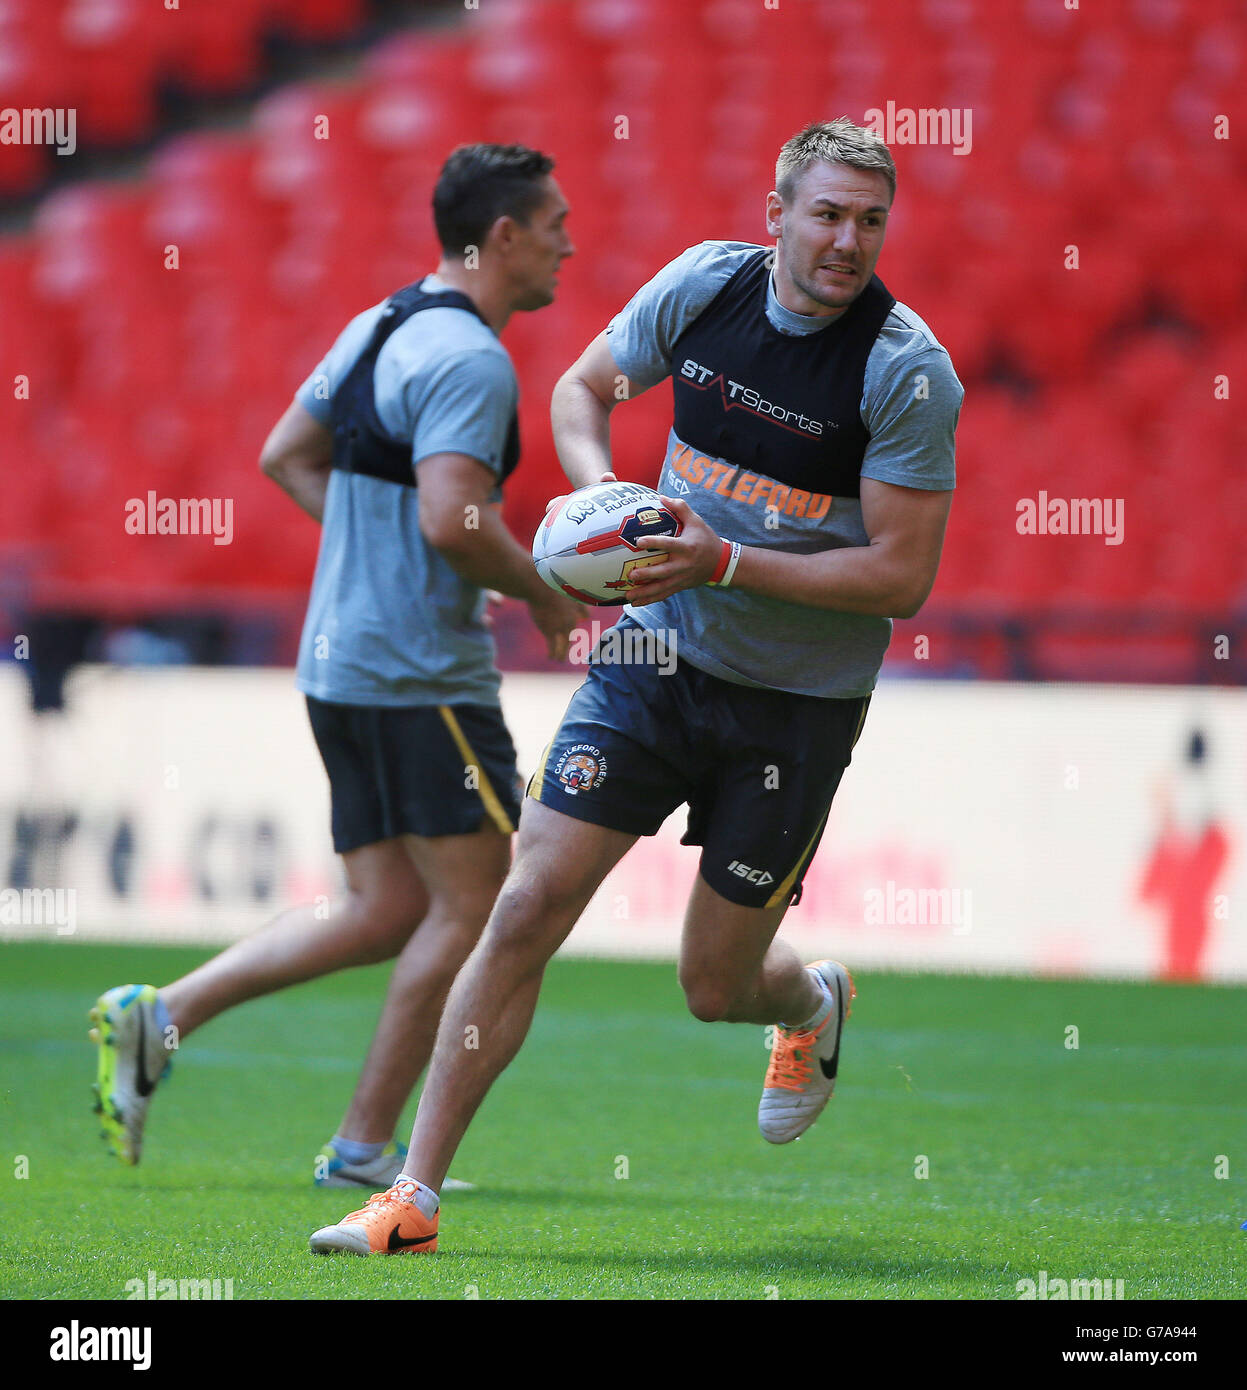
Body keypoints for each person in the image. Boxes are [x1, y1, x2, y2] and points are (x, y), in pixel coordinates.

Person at [309, 117, 962, 1254]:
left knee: (712, 984)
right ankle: (412, 1195)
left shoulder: (903, 370)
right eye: (824, 213)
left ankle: (809, 1002)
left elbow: (902, 577)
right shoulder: (705, 287)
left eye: (867, 220)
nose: (845, 240)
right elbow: (576, 391)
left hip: (793, 705)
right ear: (775, 215)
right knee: (521, 906)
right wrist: (604, 499)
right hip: (651, 659)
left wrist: (723, 558)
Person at [88, 143, 584, 1190]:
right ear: (501, 236)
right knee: (479, 909)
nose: (565, 246)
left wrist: (380, 555)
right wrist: (542, 592)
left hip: (337, 662)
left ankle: (161, 1016)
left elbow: (284, 454)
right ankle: (364, 1148)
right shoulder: (472, 359)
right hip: (418, 674)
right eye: (552, 226)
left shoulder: (380, 323)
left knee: (383, 906)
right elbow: (455, 519)